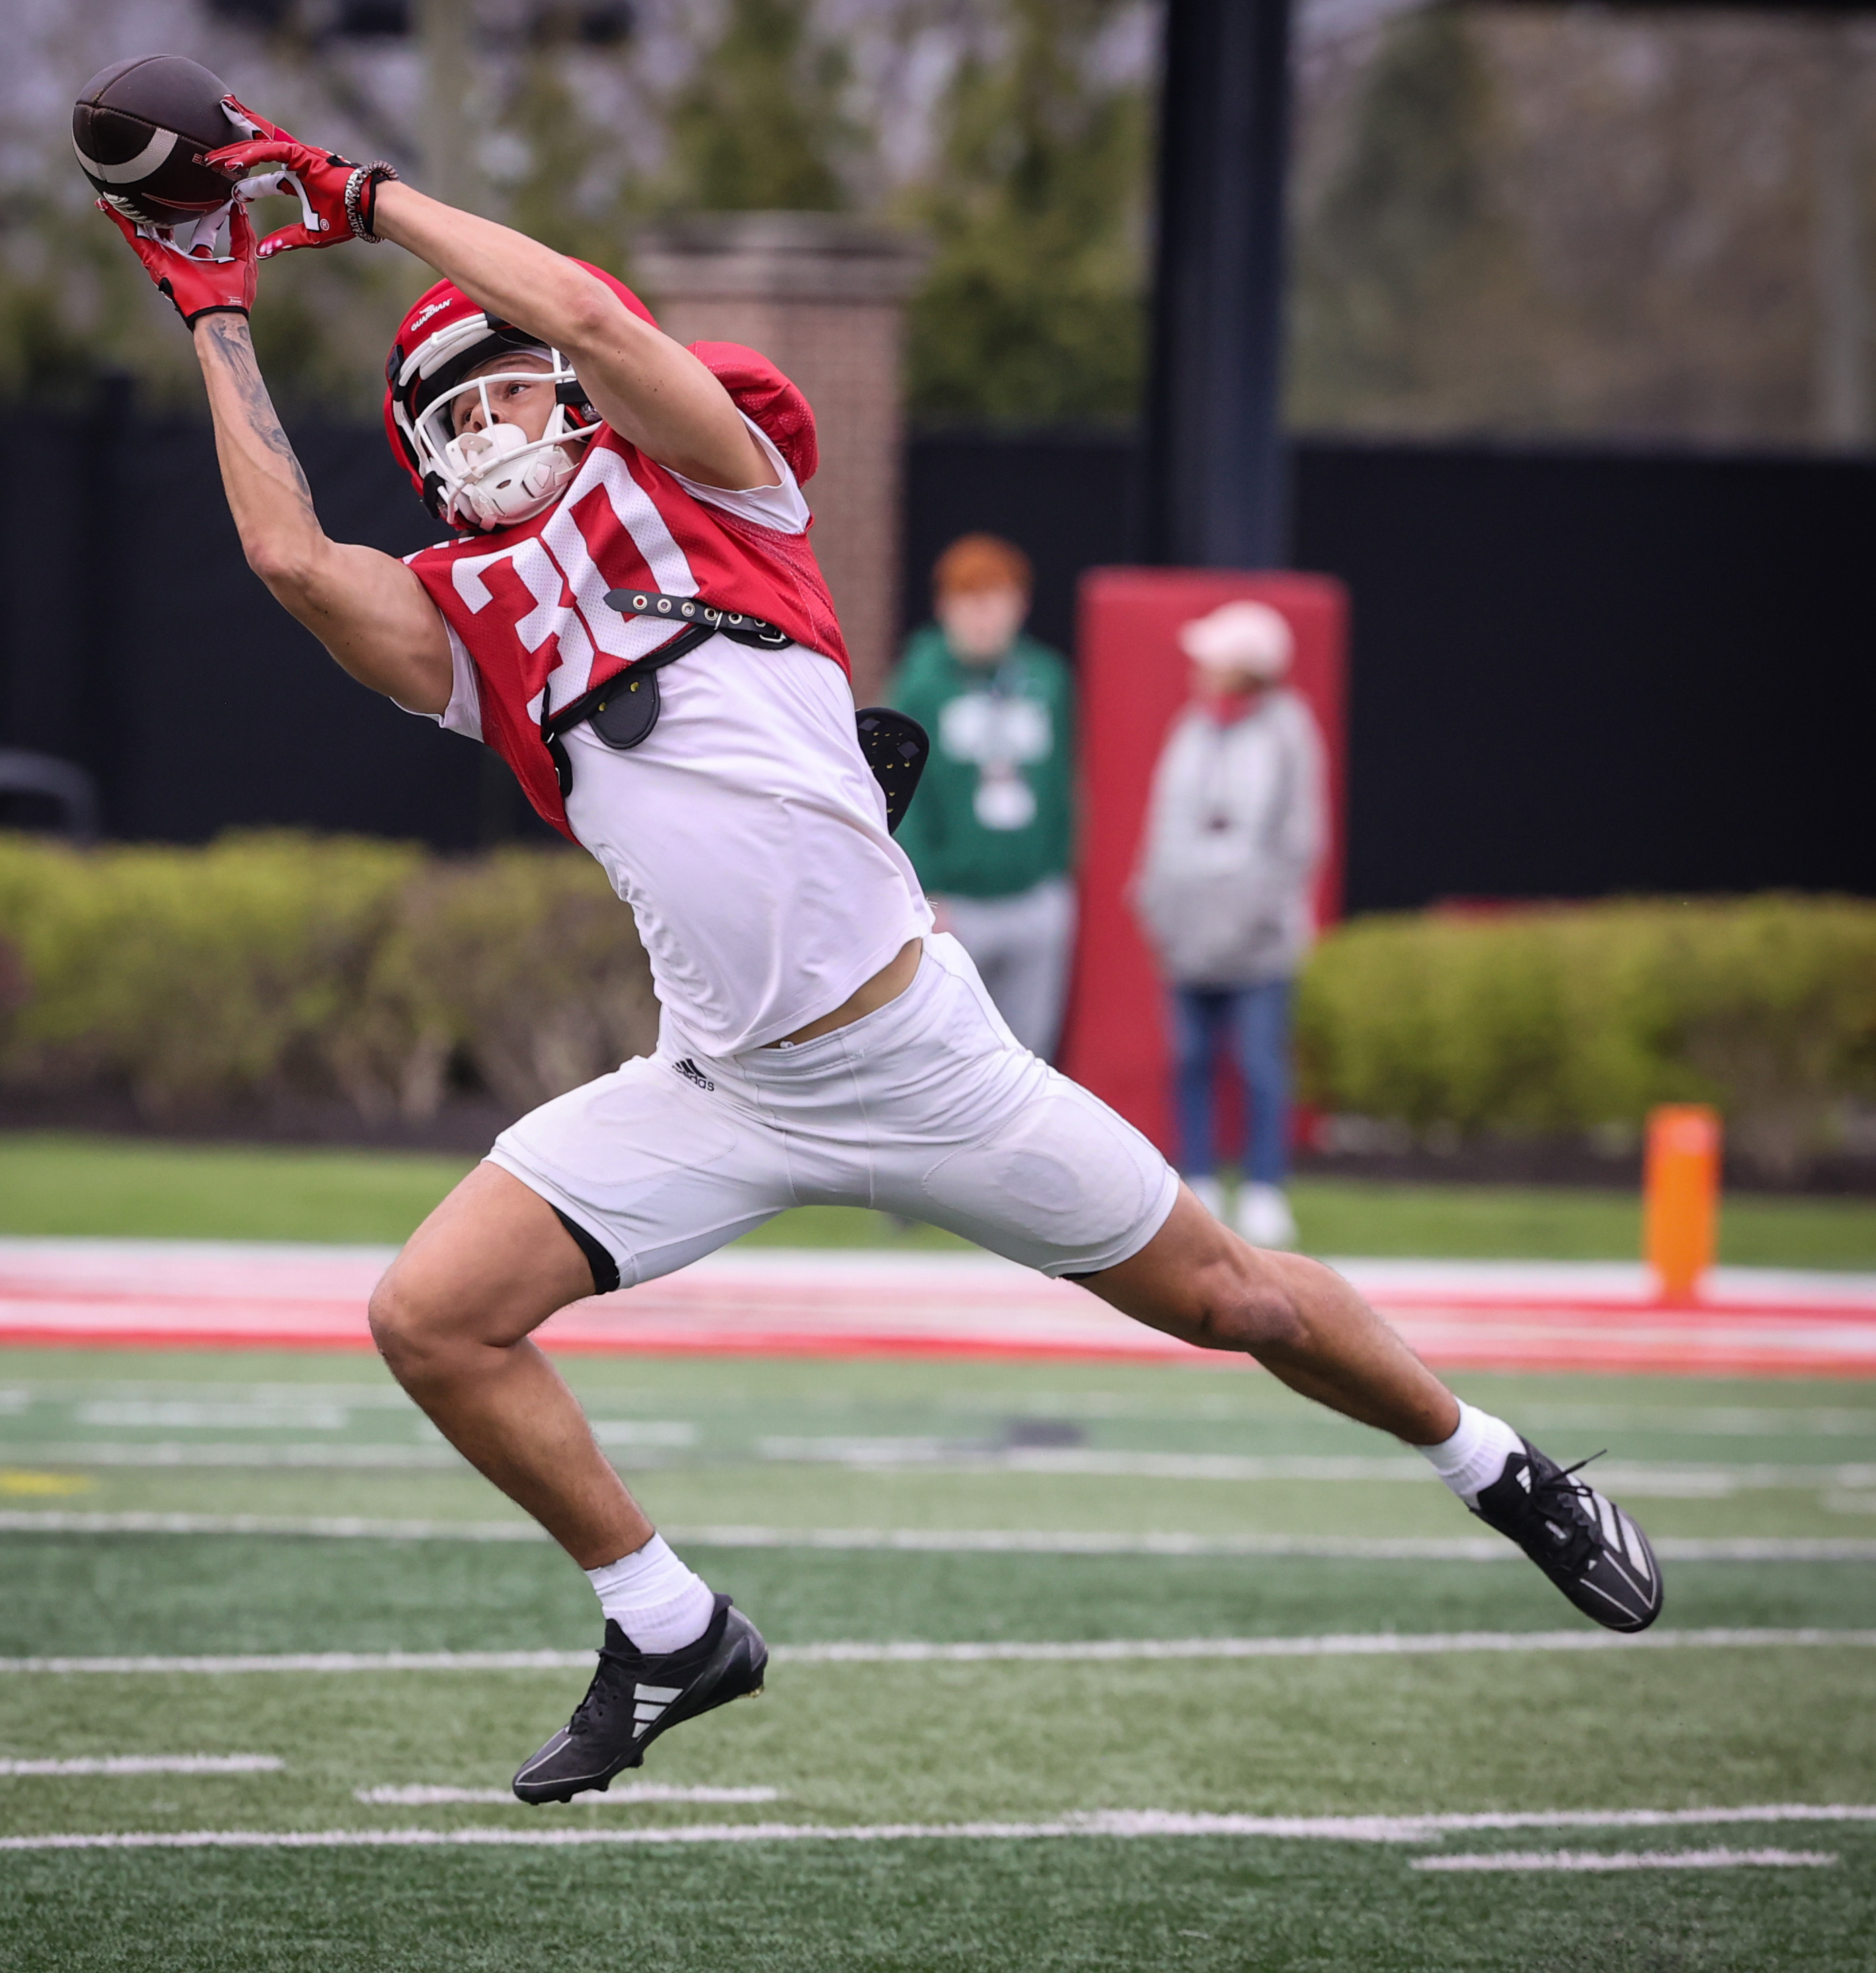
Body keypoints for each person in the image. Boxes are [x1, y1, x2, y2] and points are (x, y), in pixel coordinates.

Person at [99, 109, 1664, 1806]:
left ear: (566, 388)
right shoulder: (471, 625)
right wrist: (215, 309)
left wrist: (364, 198)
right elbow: (283, 555)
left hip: (921, 1056)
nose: (487, 424)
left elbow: (612, 325)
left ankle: (1499, 1467)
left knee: (1234, 1297)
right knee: (429, 1317)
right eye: (448, 411)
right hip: (718, 1082)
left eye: (505, 382)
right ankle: (668, 1622)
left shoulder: (718, 485)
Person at [1133, 602, 1326, 1252]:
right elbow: (1164, 822)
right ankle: (1201, 1179)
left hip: (1259, 941)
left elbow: (1298, 838)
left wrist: (1252, 916)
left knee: (1259, 1061)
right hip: (1188, 936)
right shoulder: (1190, 727)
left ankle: (1267, 1189)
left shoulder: (1289, 732)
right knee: (1189, 1058)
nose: (1201, 668)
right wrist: (1157, 902)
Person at [889, 535, 1075, 1060]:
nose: (982, 618)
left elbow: (1064, 782)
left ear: (1021, 605)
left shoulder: (1048, 677)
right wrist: (924, 896)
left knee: (1028, 1054)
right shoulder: (920, 683)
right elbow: (905, 800)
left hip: (1035, 894)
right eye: (969, 602)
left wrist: (1059, 873)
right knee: (949, 1053)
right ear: (943, 607)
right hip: (956, 903)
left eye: (994, 601)